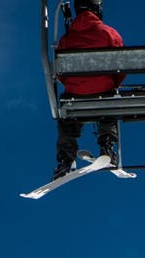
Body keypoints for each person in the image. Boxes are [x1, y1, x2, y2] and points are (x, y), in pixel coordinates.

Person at [53, 0, 125, 179]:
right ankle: (107, 146)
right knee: (109, 107)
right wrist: (113, 83)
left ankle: (65, 160)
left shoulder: (67, 39)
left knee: (68, 118)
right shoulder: (109, 33)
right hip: (104, 90)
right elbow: (121, 64)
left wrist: (74, 84)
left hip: (75, 93)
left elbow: (60, 72)